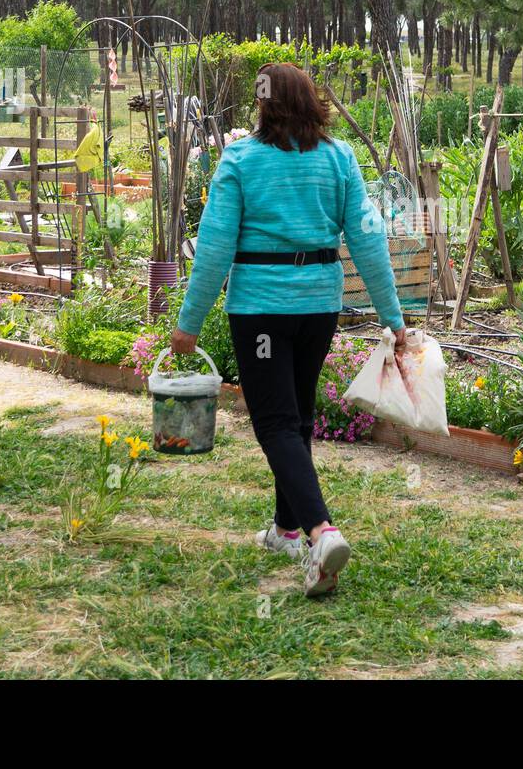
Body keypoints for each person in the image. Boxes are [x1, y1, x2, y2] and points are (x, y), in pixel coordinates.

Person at [170, 62, 406, 597]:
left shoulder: (241, 159)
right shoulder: (339, 158)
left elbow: (213, 249)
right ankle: (285, 530)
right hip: (319, 307)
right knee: (297, 416)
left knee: (275, 422)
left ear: (264, 105)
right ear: (310, 101)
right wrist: (393, 316)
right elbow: (368, 240)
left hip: (260, 310)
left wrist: (188, 323)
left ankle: (322, 532)